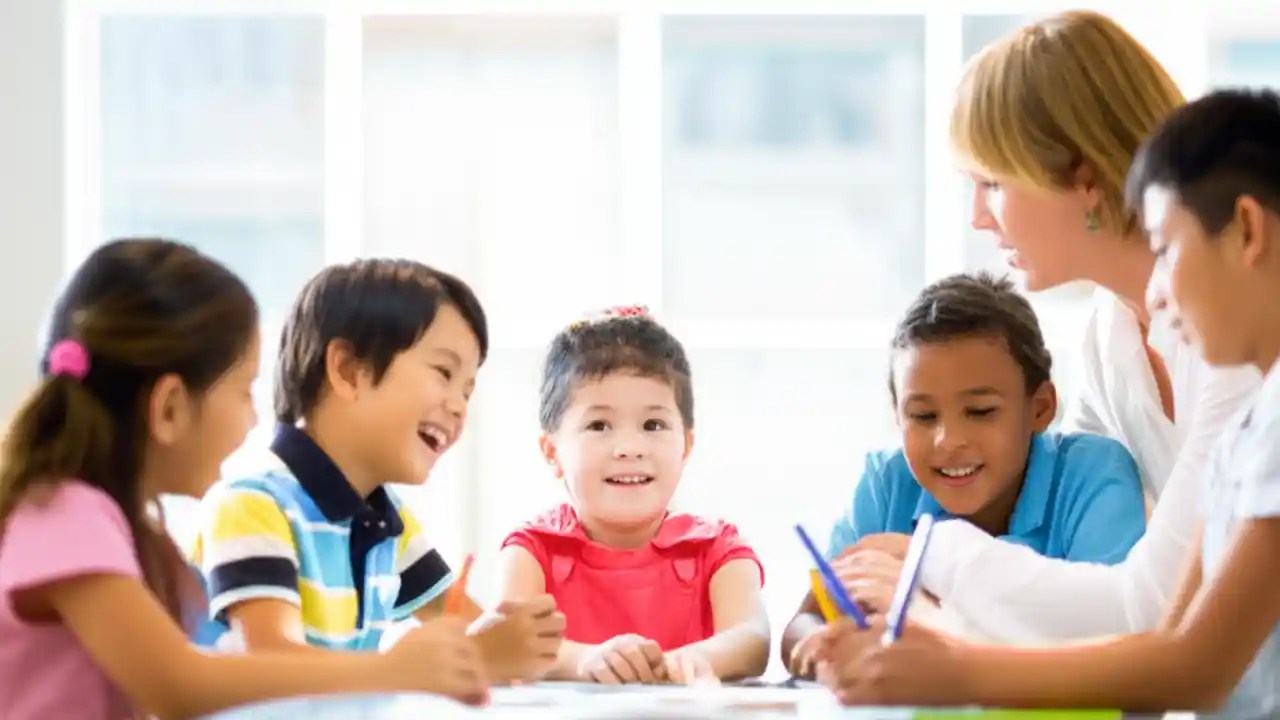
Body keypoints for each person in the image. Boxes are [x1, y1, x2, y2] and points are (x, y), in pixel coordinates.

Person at [817, 86, 1280, 719]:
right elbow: (1163, 645)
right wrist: (951, 652)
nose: (1161, 296)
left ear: (1248, 231)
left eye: (1167, 250)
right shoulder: (1246, 423)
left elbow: (1194, 669)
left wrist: (957, 668)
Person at [0, 239, 488, 719]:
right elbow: (180, 686)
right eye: (243, 391)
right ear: (170, 407)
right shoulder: (64, 514)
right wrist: (391, 672)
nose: (255, 420)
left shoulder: (127, 530)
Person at [195, 258, 563, 684]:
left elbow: (471, 627)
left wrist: (551, 649)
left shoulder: (389, 521)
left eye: (467, 389)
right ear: (349, 370)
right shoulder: (251, 506)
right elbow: (273, 666)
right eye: (444, 372)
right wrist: (462, 659)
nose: (460, 405)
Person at [783, 273, 1147, 675]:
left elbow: (1115, 635)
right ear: (897, 415)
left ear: (1041, 408)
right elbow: (806, 619)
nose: (948, 441)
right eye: (923, 416)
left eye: (980, 412)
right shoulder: (887, 483)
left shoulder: (1091, 475)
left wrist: (932, 618)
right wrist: (821, 646)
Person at [497, 306, 770, 685]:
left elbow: (753, 639)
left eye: (653, 424)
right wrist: (586, 660)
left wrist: (685, 661)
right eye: (599, 425)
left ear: (686, 445)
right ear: (552, 451)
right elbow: (507, 644)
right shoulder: (533, 549)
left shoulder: (717, 546)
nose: (628, 447)